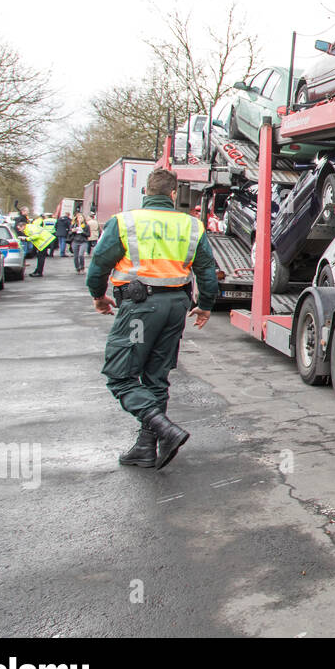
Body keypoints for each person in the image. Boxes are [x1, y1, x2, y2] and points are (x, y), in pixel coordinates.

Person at [87, 168, 218, 469]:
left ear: (146, 193)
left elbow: (99, 265)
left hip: (139, 308)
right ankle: (146, 447)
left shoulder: (126, 221)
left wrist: (98, 296)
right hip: (175, 307)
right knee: (156, 377)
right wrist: (207, 304)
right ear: (173, 195)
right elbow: (207, 271)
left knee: (120, 375)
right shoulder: (191, 225)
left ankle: (163, 429)